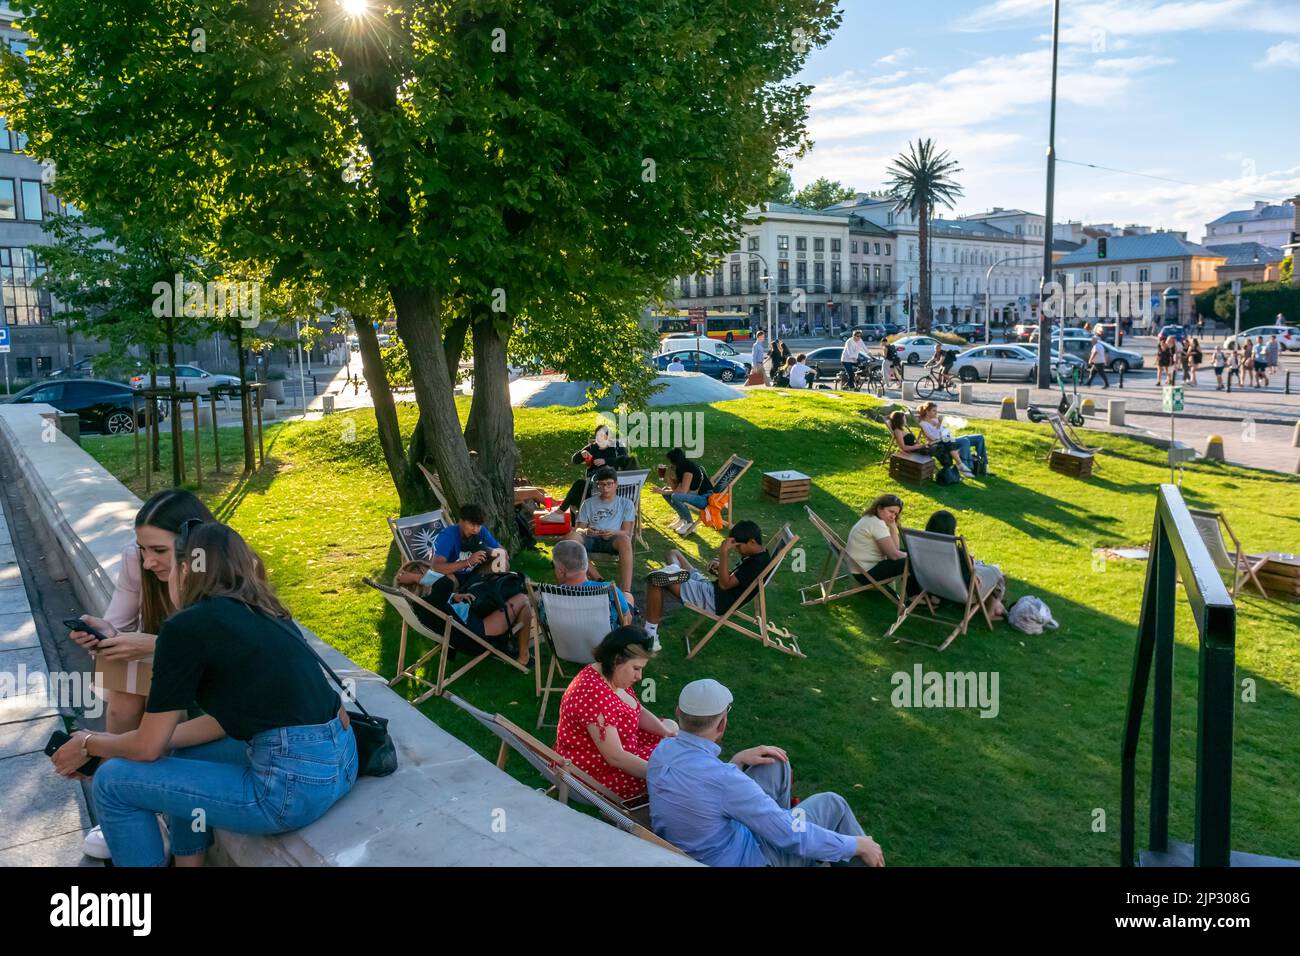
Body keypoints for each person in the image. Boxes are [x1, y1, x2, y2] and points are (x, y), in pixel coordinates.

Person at [52, 521, 357, 867]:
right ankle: (189, 863)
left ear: (186, 569)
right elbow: (185, 735)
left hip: (288, 790)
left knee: (111, 782)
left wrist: (88, 743)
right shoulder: (267, 612)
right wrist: (113, 743)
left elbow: (146, 747)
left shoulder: (186, 628)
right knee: (184, 754)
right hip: (341, 763)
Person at [65, 488, 215, 860]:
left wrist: (153, 645)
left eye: (158, 551)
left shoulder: (221, 567)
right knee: (126, 695)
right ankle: (128, 804)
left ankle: (135, 795)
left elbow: (223, 651)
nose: (147, 562)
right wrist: (104, 636)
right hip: (170, 672)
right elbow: (119, 622)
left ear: (193, 546)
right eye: (142, 549)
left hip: (214, 688)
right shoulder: (137, 561)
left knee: (159, 710)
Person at [646, 678, 885, 867]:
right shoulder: (726, 781)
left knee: (773, 763)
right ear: (722, 724)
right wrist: (856, 845)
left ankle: (800, 840)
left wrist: (737, 761)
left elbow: (703, 789)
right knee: (834, 805)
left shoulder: (663, 751)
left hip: (702, 848)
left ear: (678, 712)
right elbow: (791, 835)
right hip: (752, 858)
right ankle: (841, 853)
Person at [554, 626, 678, 801]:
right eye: (636, 668)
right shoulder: (592, 695)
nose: (639, 676)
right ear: (617, 660)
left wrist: (665, 732)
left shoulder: (607, 675)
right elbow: (615, 757)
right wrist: (663, 775)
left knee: (671, 730)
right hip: (595, 773)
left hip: (618, 746)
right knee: (673, 759)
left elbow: (638, 710)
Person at [642, 520, 769, 649]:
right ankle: (674, 571)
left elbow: (725, 585)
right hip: (712, 590)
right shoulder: (761, 557)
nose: (737, 550)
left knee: (656, 580)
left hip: (713, 599)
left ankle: (650, 636)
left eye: (738, 546)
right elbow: (737, 579)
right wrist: (721, 570)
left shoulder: (756, 564)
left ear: (752, 542)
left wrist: (724, 553)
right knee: (673, 553)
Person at [924, 510, 1006, 619]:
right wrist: (969, 564)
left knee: (981, 567)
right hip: (958, 593)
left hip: (930, 586)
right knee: (997, 572)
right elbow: (971, 582)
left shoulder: (919, 547)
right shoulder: (955, 553)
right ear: (951, 530)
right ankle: (992, 609)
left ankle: (994, 606)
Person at [566, 466, 635, 595]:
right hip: (591, 537)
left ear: (616, 484)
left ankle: (626, 590)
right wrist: (586, 530)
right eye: (601, 485)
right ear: (597, 486)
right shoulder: (588, 503)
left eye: (609, 484)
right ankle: (599, 579)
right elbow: (579, 528)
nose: (605, 488)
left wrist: (613, 532)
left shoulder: (626, 504)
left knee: (625, 540)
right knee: (572, 538)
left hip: (612, 539)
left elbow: (626, 532)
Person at [549, 538, 633, 630]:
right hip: (606, 642)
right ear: (586, 565)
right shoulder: (610, 591)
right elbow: (626, 618)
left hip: (567, 642)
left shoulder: (549, 597)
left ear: (560, 572)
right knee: (627, 596)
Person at [553, 424, 634, 516]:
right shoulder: (592, 447)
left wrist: (606, 461)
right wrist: (581, 454)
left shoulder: (616, 446)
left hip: (614, 485)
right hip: (594, 484)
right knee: (578, 489)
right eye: (597, 436)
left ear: (608, 437)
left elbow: (625, 460)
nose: (599, 438)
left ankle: (563, 513)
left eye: (601, 435)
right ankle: (573, 516)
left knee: (578, 488)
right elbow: (574, 460)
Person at [426, 502, 506, 586]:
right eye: (472, 524)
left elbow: (503, 553)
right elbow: (435, 568)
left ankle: (483, 590)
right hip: (454, 575)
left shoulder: (481, 531)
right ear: (461, 521)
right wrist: (468, 562)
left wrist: (489, 551)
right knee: (448, 580)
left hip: (475, 572)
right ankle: (460, 594)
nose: (475, 530)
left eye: (479, 525)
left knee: (502, 562)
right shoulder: (448, 536)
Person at [846, 494, 907, 583]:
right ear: (879, 508)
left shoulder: (869, 518)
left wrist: (893, 528)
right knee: (912, 563)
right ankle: (915, 595)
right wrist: (913, 558)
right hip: (865, 574)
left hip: (858, 569)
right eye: (890, 511)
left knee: (908, 555)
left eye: (895, 514)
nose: (893, 517)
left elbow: (895, 550)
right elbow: (894, 555)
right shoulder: (877, 524)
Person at [654, 447, 714, 535]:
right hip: (695, 495)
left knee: (674, 496)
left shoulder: (688, 470)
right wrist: (668, 477)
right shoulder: (682, 468)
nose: (670, 464)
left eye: (671, 462)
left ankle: (689, 522)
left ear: (675, 462)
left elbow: (681, 493)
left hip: (705, 498)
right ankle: (682, 518)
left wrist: (662, 492)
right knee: (666, 492)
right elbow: (676, 490)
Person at [917, 401, 985, 476]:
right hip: (943, 441)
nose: (936, 413)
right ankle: (967, 468)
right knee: (965, 441)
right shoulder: (923, 424)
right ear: (927, 411)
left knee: (979, 437)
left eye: (936, 410)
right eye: (934, 410)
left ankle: (983, 466)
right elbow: (933, 438)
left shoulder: (935, 419)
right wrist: (939, 425)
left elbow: (945, 431)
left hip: (949, 438)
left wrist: (943, 427)